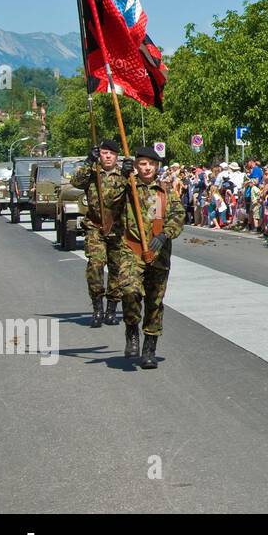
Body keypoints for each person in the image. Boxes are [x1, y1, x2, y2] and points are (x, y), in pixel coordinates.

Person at [108, 147, 186, 369]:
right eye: (142, 163)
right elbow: (109, 201)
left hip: (158, 254)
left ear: (157, 166)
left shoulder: (165, 191)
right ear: (136, 165)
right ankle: (132, 329)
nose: (147, 168)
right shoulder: (127, 187)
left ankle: (149, 349)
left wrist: (164, 234)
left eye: (151, 164)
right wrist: (122, 177)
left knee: (154, 302)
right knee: (130, 291)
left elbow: (178, 215)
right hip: (130, 249)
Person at [70, 138, 126, 328]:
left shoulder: (123, 174)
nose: (107, 156)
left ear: (116, 156)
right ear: (99, 155)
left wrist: (129, 174)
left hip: (118, 228)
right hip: (95, 226)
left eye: (111, 153)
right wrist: (87, 162)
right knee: (95, 265)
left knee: (117, 269)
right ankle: (97, 308)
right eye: (104, 153)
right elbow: (75, 181)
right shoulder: (92, 173)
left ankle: (111, 308)